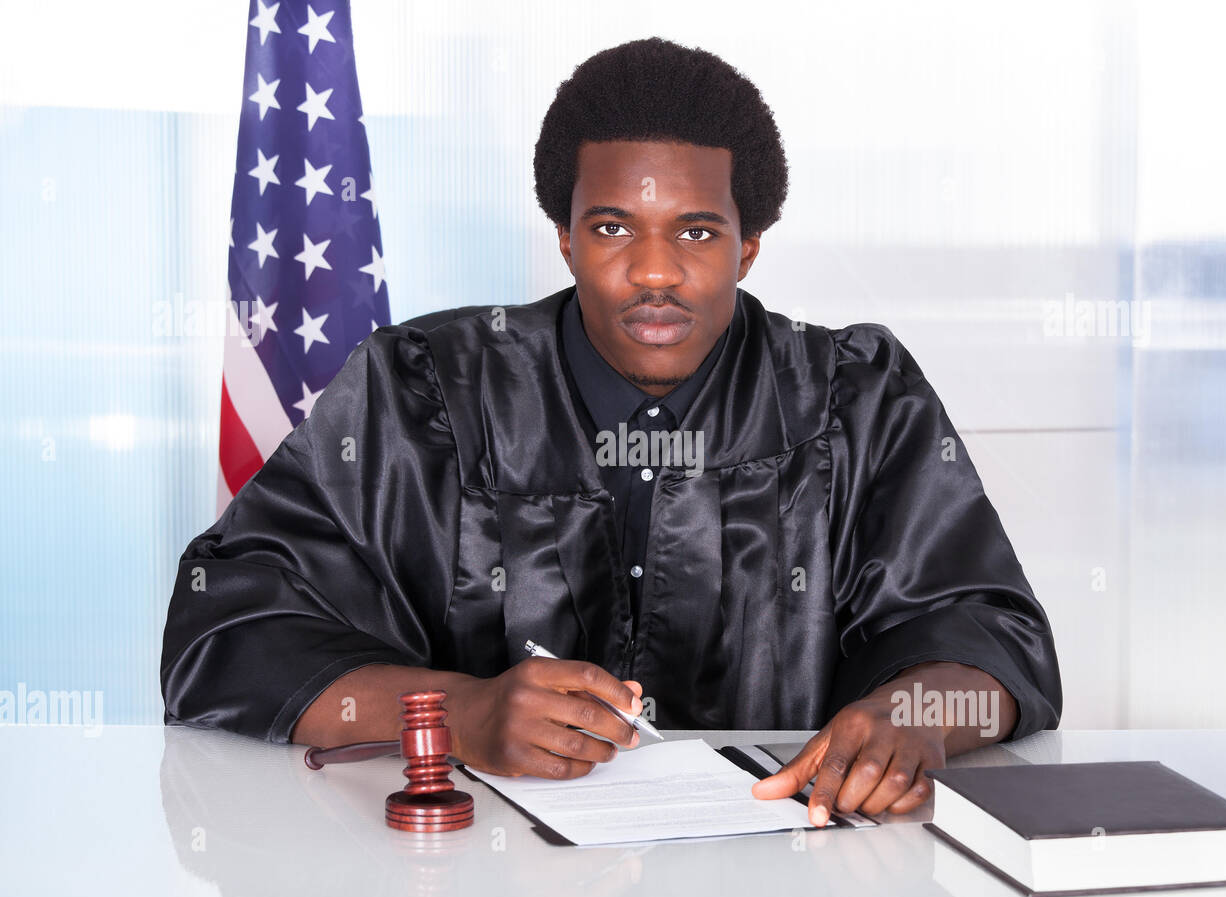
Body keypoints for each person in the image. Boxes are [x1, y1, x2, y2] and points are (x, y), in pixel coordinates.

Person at [161, 36, 1062, 826]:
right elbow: (225, 628)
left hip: (791, 871)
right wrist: (455, 712)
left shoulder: (852, 402)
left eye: (698, 232)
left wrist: (917, 716)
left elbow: (998, 644)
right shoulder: (423, 389)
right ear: (562, 236)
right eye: (612, 227)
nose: (655, 272)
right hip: (475, 876)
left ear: (749, 246)